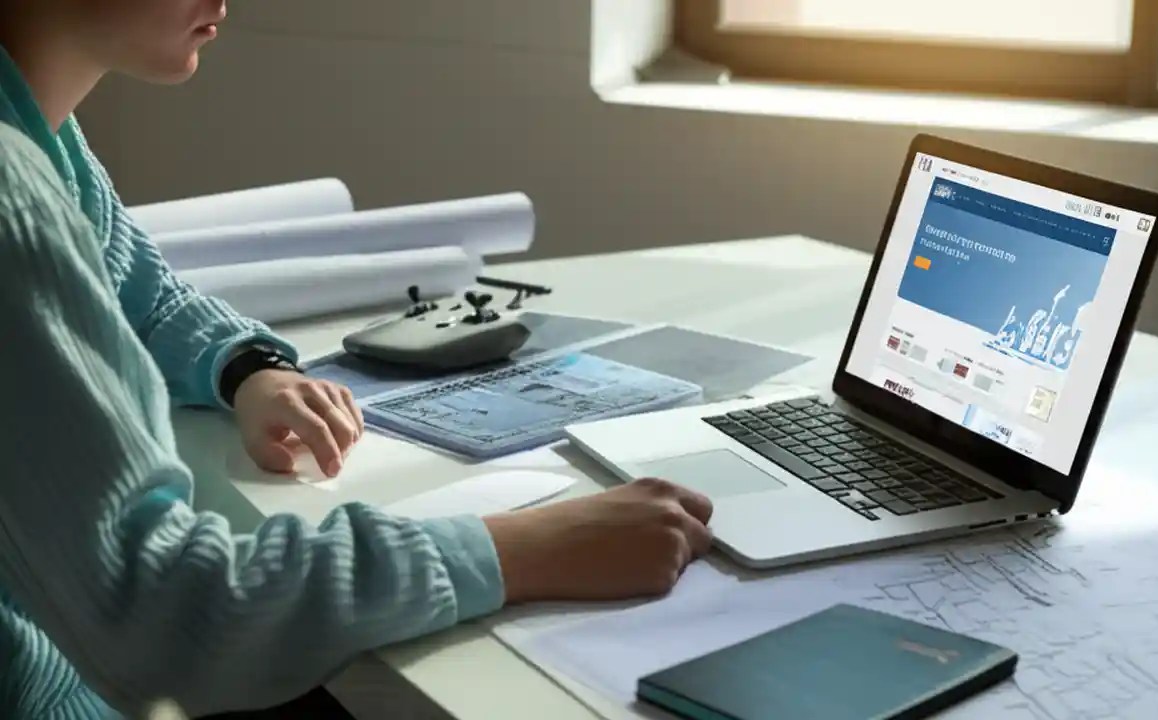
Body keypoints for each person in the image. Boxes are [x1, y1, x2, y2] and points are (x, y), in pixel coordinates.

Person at [0, 1, 715, 718]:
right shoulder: (11, 192)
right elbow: (172, 619)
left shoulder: (46, 142)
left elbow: (140, 294)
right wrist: (522, 550)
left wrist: (247, 367)